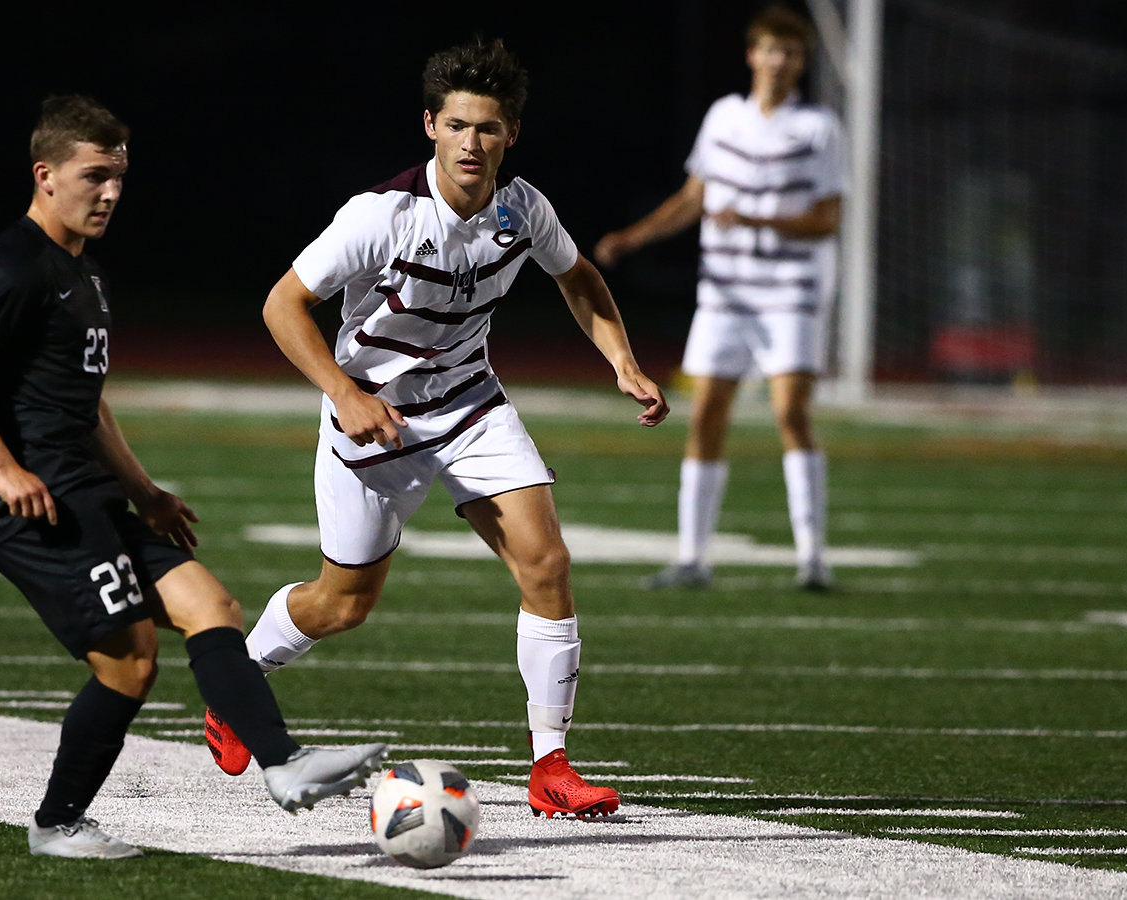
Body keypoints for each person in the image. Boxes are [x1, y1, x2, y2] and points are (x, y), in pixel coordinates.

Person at [203, 39, 669, 820]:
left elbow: (578, 277)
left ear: (510, 134)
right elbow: (282, 306)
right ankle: (236, 687)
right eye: (457, 125)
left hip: (470, 405)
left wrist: (621, 359)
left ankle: (550, 766)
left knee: (546, 561)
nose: (471, 143)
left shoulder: (523, 208)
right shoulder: (380, 215)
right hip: (373, 421)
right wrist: (343, 393)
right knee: (343, 605)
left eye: (488, 128)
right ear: (430, 126)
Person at [0, 95, 386, 859]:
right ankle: (57, 823)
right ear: (45, 175)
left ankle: (284, 765)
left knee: (213, 604)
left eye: (119, 177)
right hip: (38, 507)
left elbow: (89, 404)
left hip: (91, 493)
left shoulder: (87, 277)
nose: (109, 192)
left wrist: (145, 491)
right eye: (94, 175)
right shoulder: (14, 264)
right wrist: (3, 469)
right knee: (131, 660)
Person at [595, 4, 844, 591]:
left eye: (792, 52)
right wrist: (633, 237)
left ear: (801, 62)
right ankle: (692, 559)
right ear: (753, 55)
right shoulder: (725, 117)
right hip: (725, 294)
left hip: (790, 291)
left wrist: (757, 219)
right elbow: (693, 198)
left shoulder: (819, 128)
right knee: (705, 415)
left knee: (790, 413)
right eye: (772, 50)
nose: (781, 61)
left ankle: (813, 559)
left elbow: (829, 218)